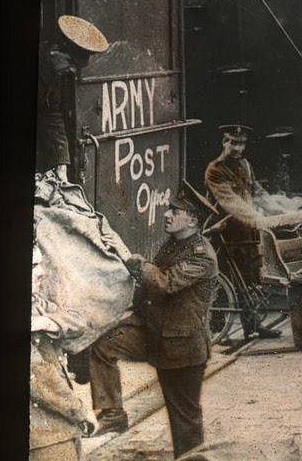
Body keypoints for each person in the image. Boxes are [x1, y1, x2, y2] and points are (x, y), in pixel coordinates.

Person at [90, 181, 219, 457]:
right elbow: (154, 277)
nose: (167, 215)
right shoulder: (173, 244)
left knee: (184, 417)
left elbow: (165, 283)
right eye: (169, 209)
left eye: (176, 211)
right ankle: (112, 414)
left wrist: (134, 260)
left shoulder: (202, 255)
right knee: (103, 345)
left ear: (193, 220)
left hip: (183, 349)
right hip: (155, 335)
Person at [205, 124, 287, 340]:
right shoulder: (215, 170)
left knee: (250, 278)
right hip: (225, 233)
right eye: (232, 142)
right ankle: (215, 331)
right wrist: (257, 217)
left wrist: (278, 211)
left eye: (241, 143)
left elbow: (256, 191)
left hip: (247, 231)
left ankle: (253, 327)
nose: (237, 148)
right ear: (224, 143)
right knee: (223, 282)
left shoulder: (244, 165)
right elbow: (229, 201)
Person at [30, 274, 98, 461]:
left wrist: (46, 322)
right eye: (34, 265)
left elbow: (80, 321)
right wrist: (80, 411)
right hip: (43, 434)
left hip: (62, 425)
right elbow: (40, 378)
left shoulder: (37, 303)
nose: (42, 271)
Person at [37, 15, 110, 182]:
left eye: (76, 67)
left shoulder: (54, 73)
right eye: (70, 62)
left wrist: (61, 164)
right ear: (54, 51)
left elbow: (52, 115)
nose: (72, 71)